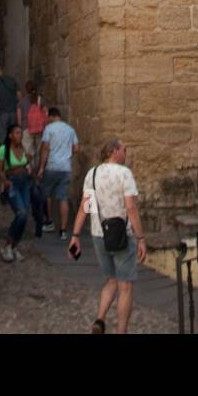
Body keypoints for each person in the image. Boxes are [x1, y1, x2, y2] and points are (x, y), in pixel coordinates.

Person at [69, 136, 147, 335]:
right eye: (124, 150)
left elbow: (85, 207)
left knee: (111, 280)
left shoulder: (92, 174)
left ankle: (100, 319)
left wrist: (75, 235)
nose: (125, 153)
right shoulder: (124, 174)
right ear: (114, 151)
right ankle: (121, 331)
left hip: (98, 234)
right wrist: (141, 238)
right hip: (123, 236)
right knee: (125, 286)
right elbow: (130, 207)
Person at [37, 106, 78, 239]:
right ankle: (63, 230)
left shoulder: (49, 129)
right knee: (63, 198)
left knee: (47, 194)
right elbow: (76, 148)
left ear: (51, 116)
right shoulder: (70, 130)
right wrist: (67, 155)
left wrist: (41, 168)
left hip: (52, 166)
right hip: (65, 168)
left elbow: (45, 149)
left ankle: (49, 222)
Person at [0, 122, 32, 263]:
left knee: (25, 216)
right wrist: (5, 181)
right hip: (12, 183)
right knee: (21, 213)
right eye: (17, 133)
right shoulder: (3, 149)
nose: (20, 135)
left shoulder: (23, 148)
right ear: (10, 135)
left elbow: (26, 165)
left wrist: (28, 163)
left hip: (24, 183)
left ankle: (14, 246)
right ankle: (7, 246)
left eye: (20, 133)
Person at [20, 81, 48, 163]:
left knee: (27, 150)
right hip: (39, 128)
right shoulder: (40, 99)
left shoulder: (22, 101)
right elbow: (46, 113)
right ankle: (38, 168)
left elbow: (19, 116)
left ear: (26, 90)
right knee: (39, 149)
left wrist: (20, 127)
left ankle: (29, 168)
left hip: (26, 127)